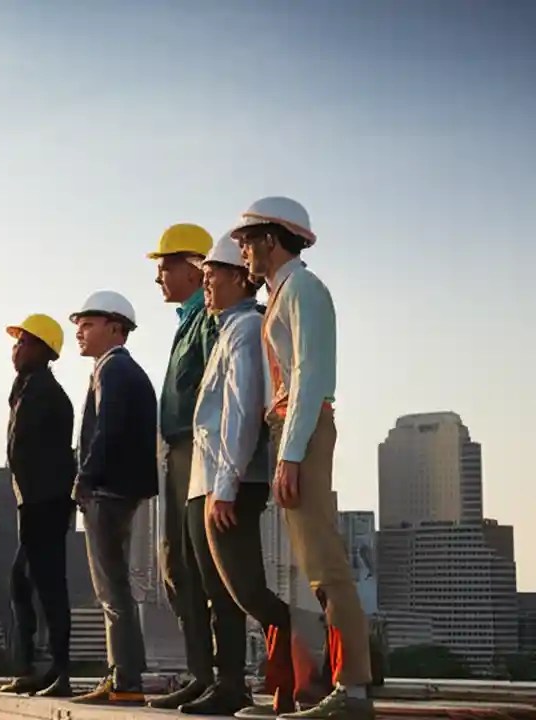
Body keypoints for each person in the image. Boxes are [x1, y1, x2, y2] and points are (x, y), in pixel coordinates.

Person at [232, 197, 373, 720]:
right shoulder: (281, 294)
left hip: (303, 425)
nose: (242, 249)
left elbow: (310, 376)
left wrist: (290, 454)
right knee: (313, 564)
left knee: (325, 561)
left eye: (247, 240)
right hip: (290, 426)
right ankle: (333, 688)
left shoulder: (305, 290)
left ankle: (353, 690)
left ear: (272, 239)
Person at [180, 232, 284, 716]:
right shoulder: (228, 329)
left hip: (229, 483)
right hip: (211, 482)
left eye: (213, 273)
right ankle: (230, 684)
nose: (206, 283)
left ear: (242, 279)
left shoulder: (246, 329)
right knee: (218, 590)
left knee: (244, 588)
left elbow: (242, 413)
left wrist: (225, 487)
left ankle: (330, 653)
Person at [66, 291, 158, 707]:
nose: (79, 332)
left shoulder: (114, 371)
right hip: (123, 489)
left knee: (111, 588)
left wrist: (85, 478)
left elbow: (107, 430)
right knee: (116, 586)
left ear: (115, 327)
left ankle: (124, 679)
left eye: (88, 324)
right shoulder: (122, 371)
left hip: (108, 491)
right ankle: (125, 676)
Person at [147, 223, 222, 711]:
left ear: (195, 267)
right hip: (176, 452)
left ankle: (220, 675)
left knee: (203, 564)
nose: (158, 277)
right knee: (176, 566)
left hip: (196, 450)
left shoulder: (209, 321)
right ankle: (202, 672)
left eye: (165, 266)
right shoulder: (187, 320)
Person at [0, 314, 76, 698]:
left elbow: (43, 455)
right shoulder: (25, 388)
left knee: (48, 587)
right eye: (17, 342)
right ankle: (30, 667)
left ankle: (58, 671)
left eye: (24, 342)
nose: (17, 349)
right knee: (22, 582)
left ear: (44, 351)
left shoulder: (46, 392)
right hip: (32, 502)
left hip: (46, 503)